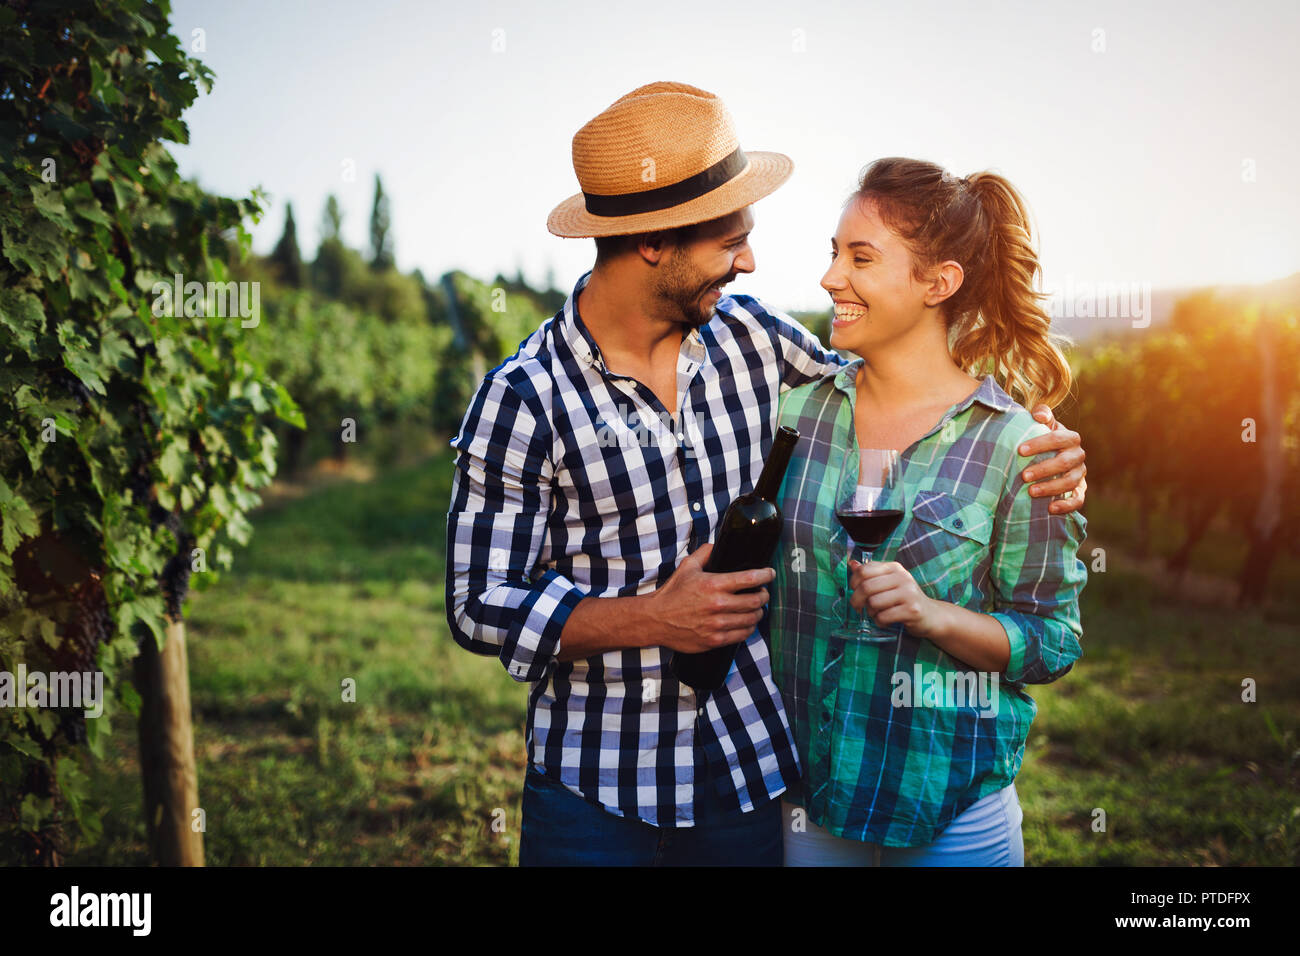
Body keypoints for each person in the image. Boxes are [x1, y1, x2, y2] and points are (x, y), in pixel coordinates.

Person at [444, 83, 1088, 866]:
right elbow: (479, 603)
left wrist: (1037, 439)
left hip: (748, 780)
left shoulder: (752, 343)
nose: (749, 262)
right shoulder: (524, 397)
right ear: (655, 241)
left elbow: (905, 378)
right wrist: (654, 619)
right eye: (729, 242)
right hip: (594, 793)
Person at [770, 157, 1088, 866]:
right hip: (809, 801)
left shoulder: (1017, 445)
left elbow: (1053, 639)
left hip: (949, 811)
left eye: (860, 257)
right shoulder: (796, 415)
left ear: (938, 283)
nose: (830, 278)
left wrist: (930, 615)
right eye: (833, 254)